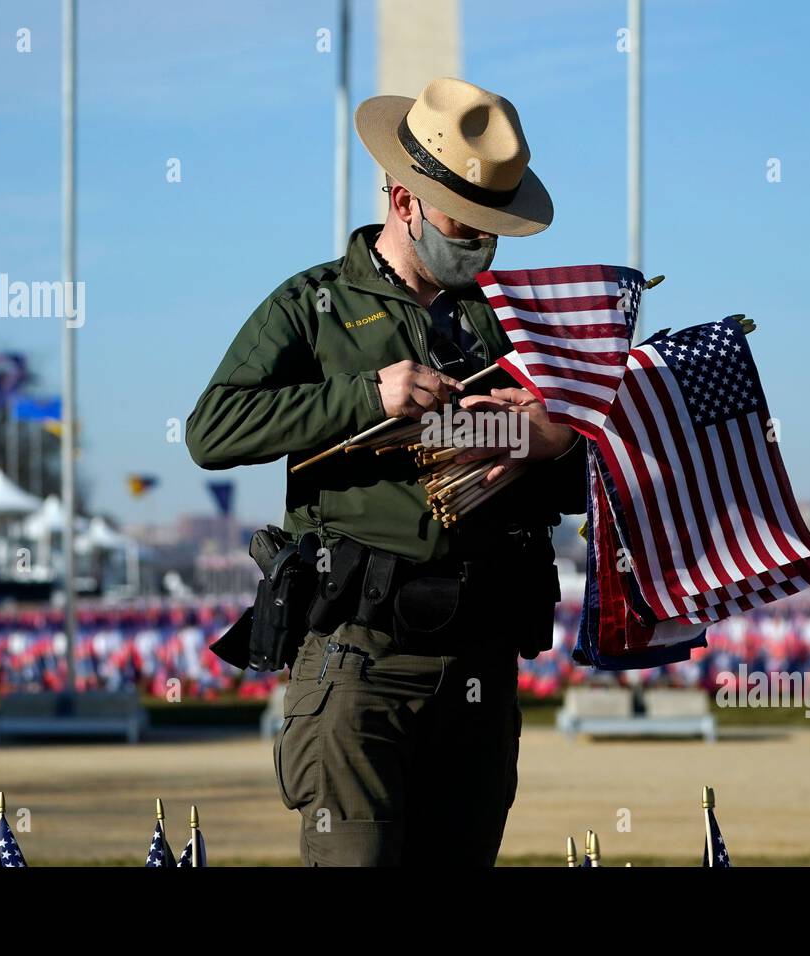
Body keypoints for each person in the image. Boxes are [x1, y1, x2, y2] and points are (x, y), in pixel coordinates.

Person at [186, 77, 585, 866]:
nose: (480, 245)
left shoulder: (510, 318)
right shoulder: (314, 307)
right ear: (404, 201)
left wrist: (553, 442)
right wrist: (367, 392)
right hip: (359, 657)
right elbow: (213, 430)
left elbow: (577, 474)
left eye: (492, 229)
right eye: (463, 225)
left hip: (479, 660)